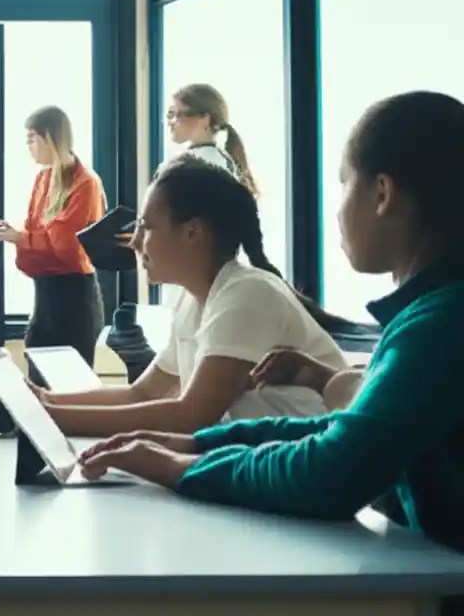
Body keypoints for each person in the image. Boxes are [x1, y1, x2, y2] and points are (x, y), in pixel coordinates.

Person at [79, 91, 464, 556]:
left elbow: (330, 472)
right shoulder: (428, 317)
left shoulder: (437, 328)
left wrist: (179, 467)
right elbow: (338, 433)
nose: (338, 209)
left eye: (344, 185)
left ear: (382, 194)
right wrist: (197, 445)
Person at [35, 156, 350, 437]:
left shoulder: (246, 294)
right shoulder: (191, 302)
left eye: (146, 227)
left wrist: (46, 418)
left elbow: (191, 416)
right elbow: (142, 394)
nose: (134, 242)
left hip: (314, 472)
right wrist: (42, 400)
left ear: (192, 233)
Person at [0, 106, 106, 383]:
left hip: (74, 296)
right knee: (37, 376)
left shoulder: (85, 183)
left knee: (71, 385)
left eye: (32, 138)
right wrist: (25, 239)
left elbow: (65, 245)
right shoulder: (42, 179)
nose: (28, 145)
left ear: (51, 138)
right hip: (44, 293)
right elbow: (35, 234)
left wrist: (23, 239)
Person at [166, 83, 258, 195]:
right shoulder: (221, 161)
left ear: (204, 118)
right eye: (170, 115)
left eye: (179, 114)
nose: (171, 121)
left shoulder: (199, 166)